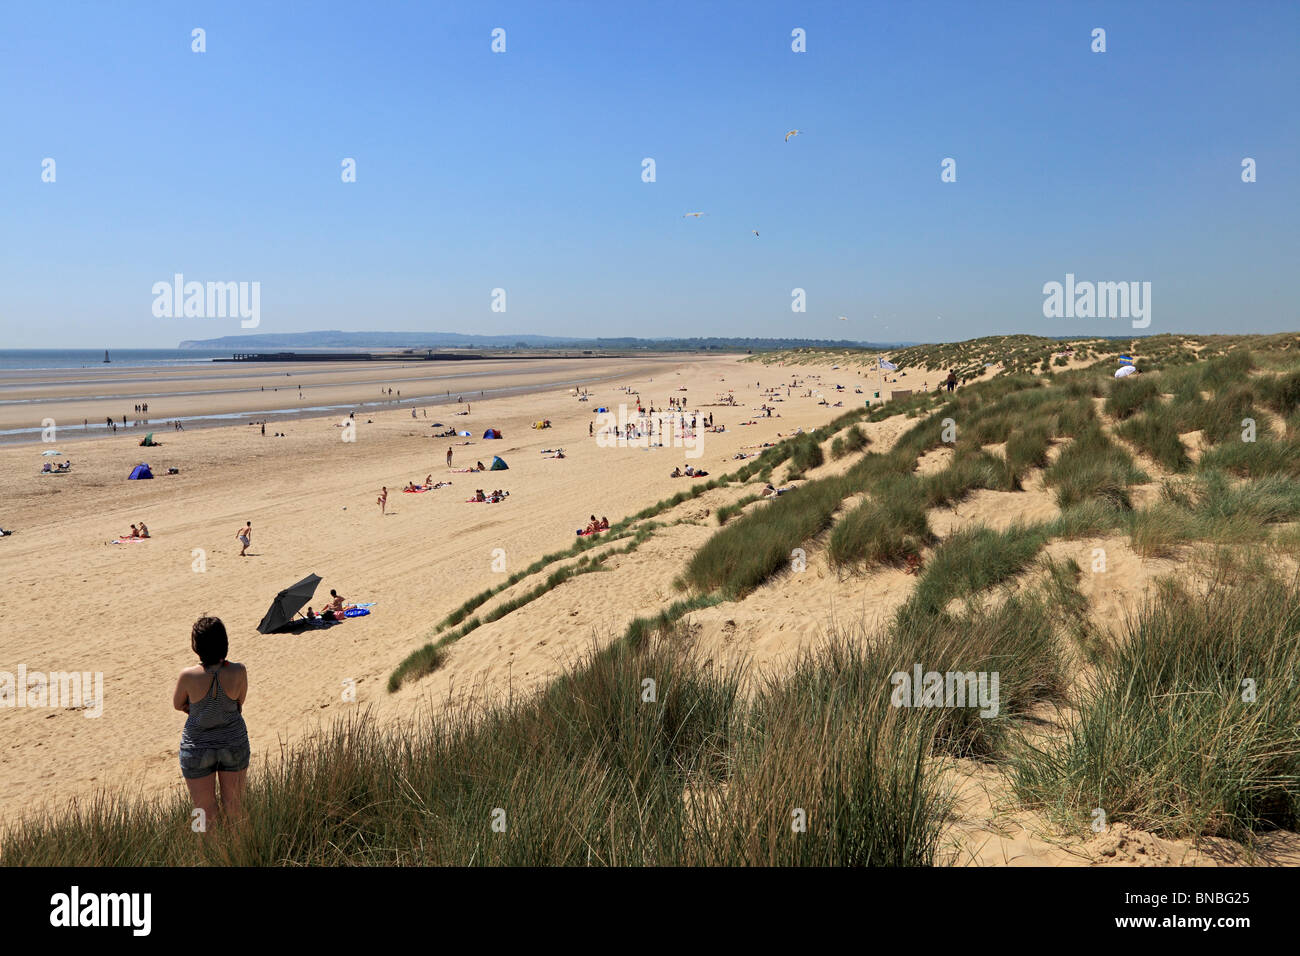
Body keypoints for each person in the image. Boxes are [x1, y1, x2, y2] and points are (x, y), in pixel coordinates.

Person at [173, 617, 249, 826]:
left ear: (196, 645)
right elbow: (239, 702)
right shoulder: (238, 670)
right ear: (224, 642)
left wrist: (198, 710)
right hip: (233, 741)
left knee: (202, 810)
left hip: (197, 746)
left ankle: (206, 854)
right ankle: (240, 851)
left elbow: (178, 704)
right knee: (235, 806)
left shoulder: (188, 675)